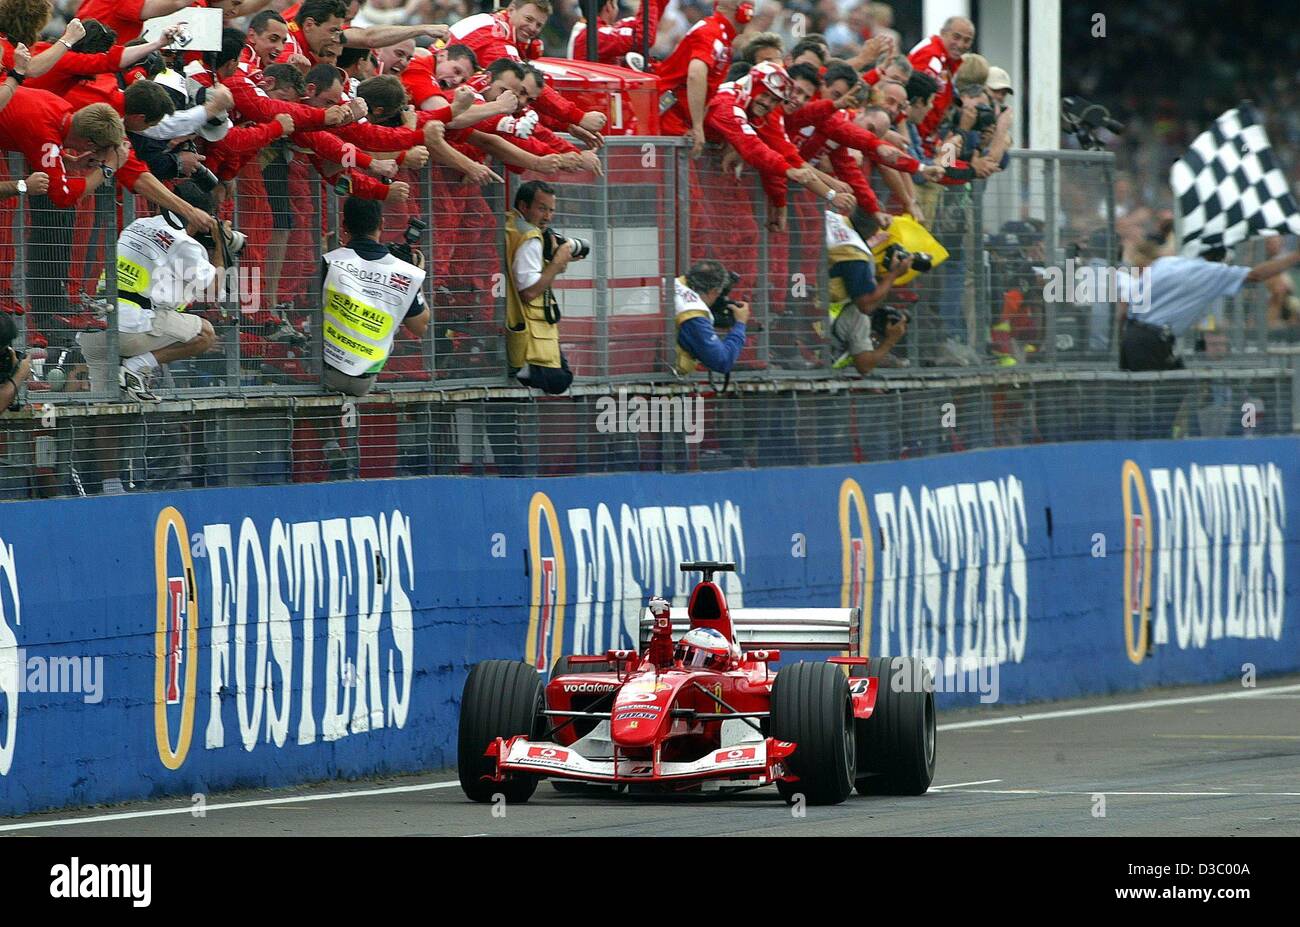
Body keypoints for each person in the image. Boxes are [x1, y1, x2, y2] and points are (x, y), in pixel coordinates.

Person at [76, 181, 224, 402]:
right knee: (205, 334)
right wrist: (222, 243)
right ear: (199, 217)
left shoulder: (138, 224)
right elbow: (215, 292)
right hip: (127, 332)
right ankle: (137, 366)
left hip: (94, 330)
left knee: (105, 406)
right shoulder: (184, 243)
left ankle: (126, 381)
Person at [1116, 236, 1300, 371]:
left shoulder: (1165, 263)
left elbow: (1129, 301)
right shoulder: (1210, 271)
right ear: (1218, 258)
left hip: (1133, 335)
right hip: (1153, 342)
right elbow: (1256, 275)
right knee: (1162, 399)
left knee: (1149, 398)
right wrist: (1295, 257)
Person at [320, 196, 429, 396]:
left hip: (325, 373)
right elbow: (420, 327)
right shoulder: (405, 273)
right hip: (366, 378)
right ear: (382, 224)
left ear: (344, 226)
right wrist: (416, 282)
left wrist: (320, 254)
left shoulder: (328, 262)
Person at [505, 179, 578, 394]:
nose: (547, 216)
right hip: (528, 337)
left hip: (516, 330)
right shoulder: (531, 238)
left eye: (551, 210)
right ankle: (524, 371)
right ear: (524, 206)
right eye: (541, 209)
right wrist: (556, 263)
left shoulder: (512, 225)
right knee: (561, 380)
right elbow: (529, 292)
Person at [826, 210, 910, 374]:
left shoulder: (833, 219)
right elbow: (864, 366)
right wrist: (890, 340)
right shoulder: (858, 317)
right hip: (812, 316)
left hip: (798, 287)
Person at [673, 259, 749, 376]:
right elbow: (722, 361)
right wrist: (740, 324)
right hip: (661, 379)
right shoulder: (694, 314)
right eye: (718, 294)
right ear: (713, 291)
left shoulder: (673, 283)